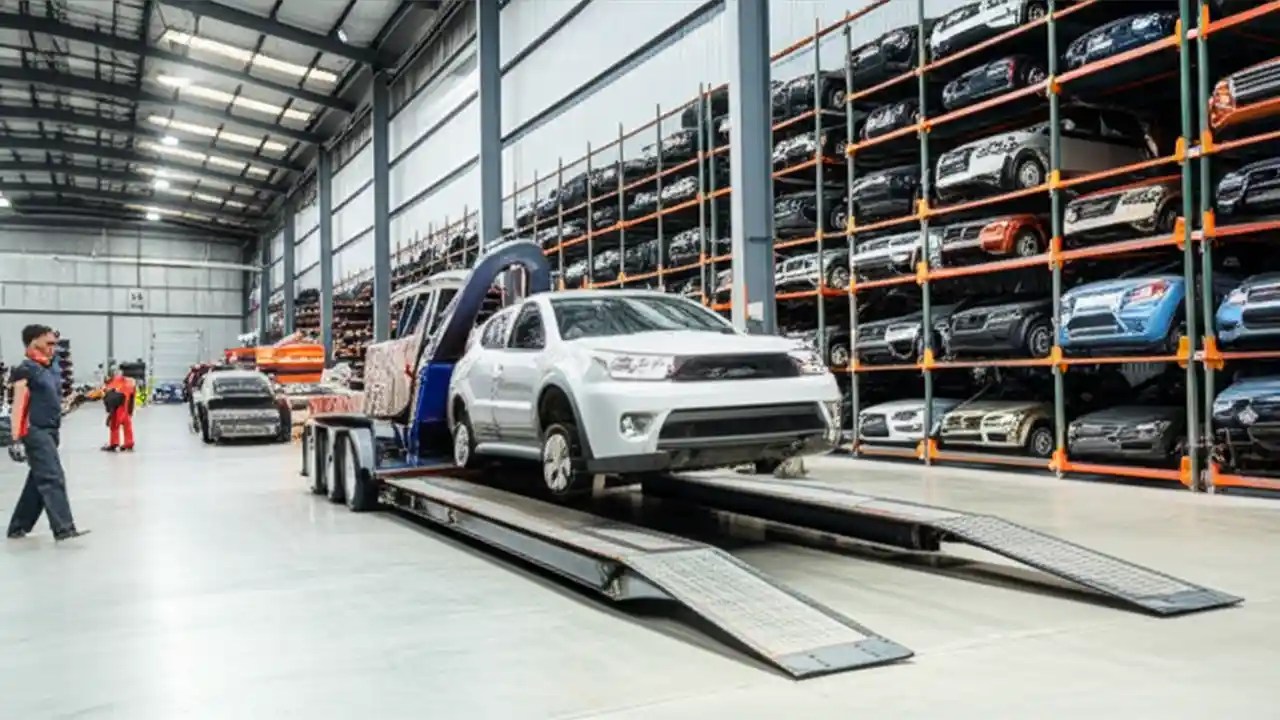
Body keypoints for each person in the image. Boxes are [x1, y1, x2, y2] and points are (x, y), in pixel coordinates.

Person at [6, 324, 89, 541]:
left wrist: (74, 402)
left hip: (51, 430)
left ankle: (18, 527)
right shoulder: (25, 370)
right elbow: (19, 405)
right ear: (34, 342)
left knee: (38, 479)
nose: (53, 348)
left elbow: (53, 402)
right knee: (53, 477)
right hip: (34, 431)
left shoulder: (49, 369)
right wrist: (15, 438)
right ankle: (64, 529)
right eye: (49, 343)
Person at [99, 368, 136, 452]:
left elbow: (111, 400)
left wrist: (110, 415)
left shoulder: (111, 385)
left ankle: (114, 443)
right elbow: (132, 398)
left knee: (114, 425)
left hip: (118, 407)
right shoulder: (130, 382)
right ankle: (129, 443)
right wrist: (131, 410)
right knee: (127, 425)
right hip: (126, 406)